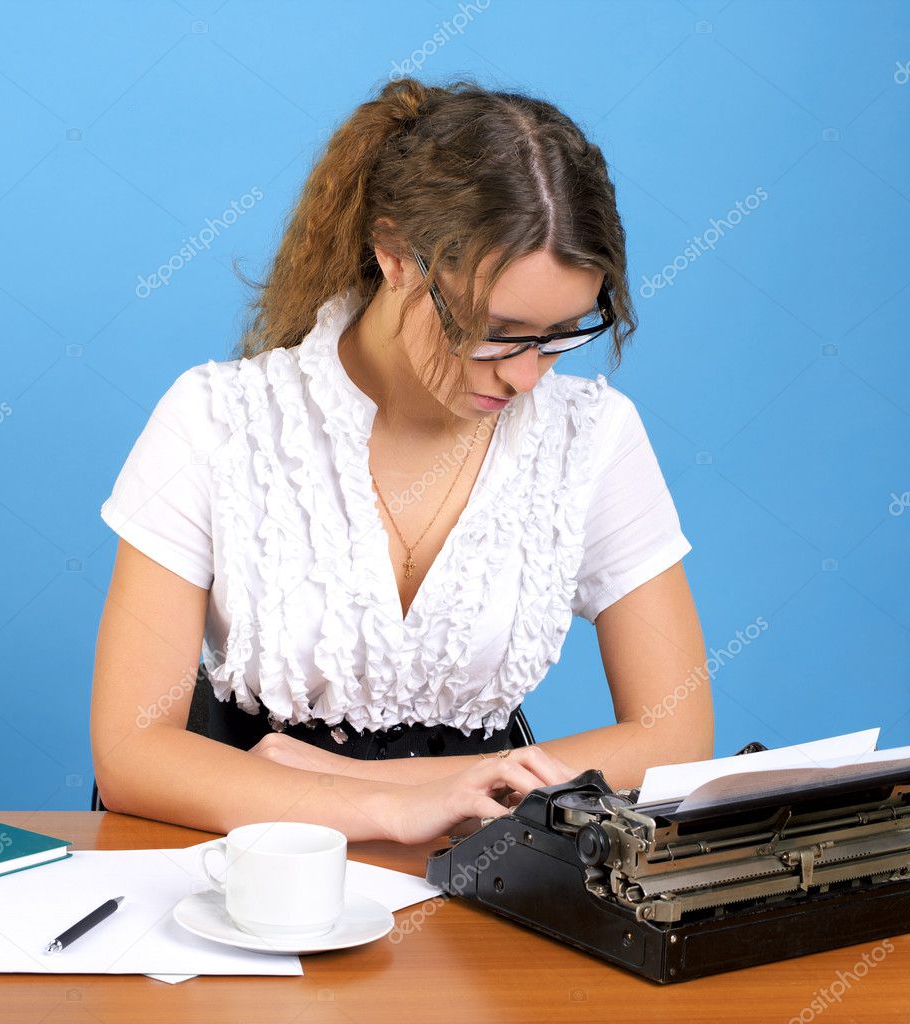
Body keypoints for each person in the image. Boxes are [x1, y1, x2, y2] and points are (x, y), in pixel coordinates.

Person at [90, 76, 712, 845]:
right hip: (248, 858)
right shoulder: (217, 419)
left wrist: (375, 782)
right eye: (498, 330)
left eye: (559, 336)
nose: (524, 377)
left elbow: (675, 736)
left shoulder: (594, 435)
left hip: (484, 853)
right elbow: (131, 754)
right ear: (394, 254)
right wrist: (394, 809)